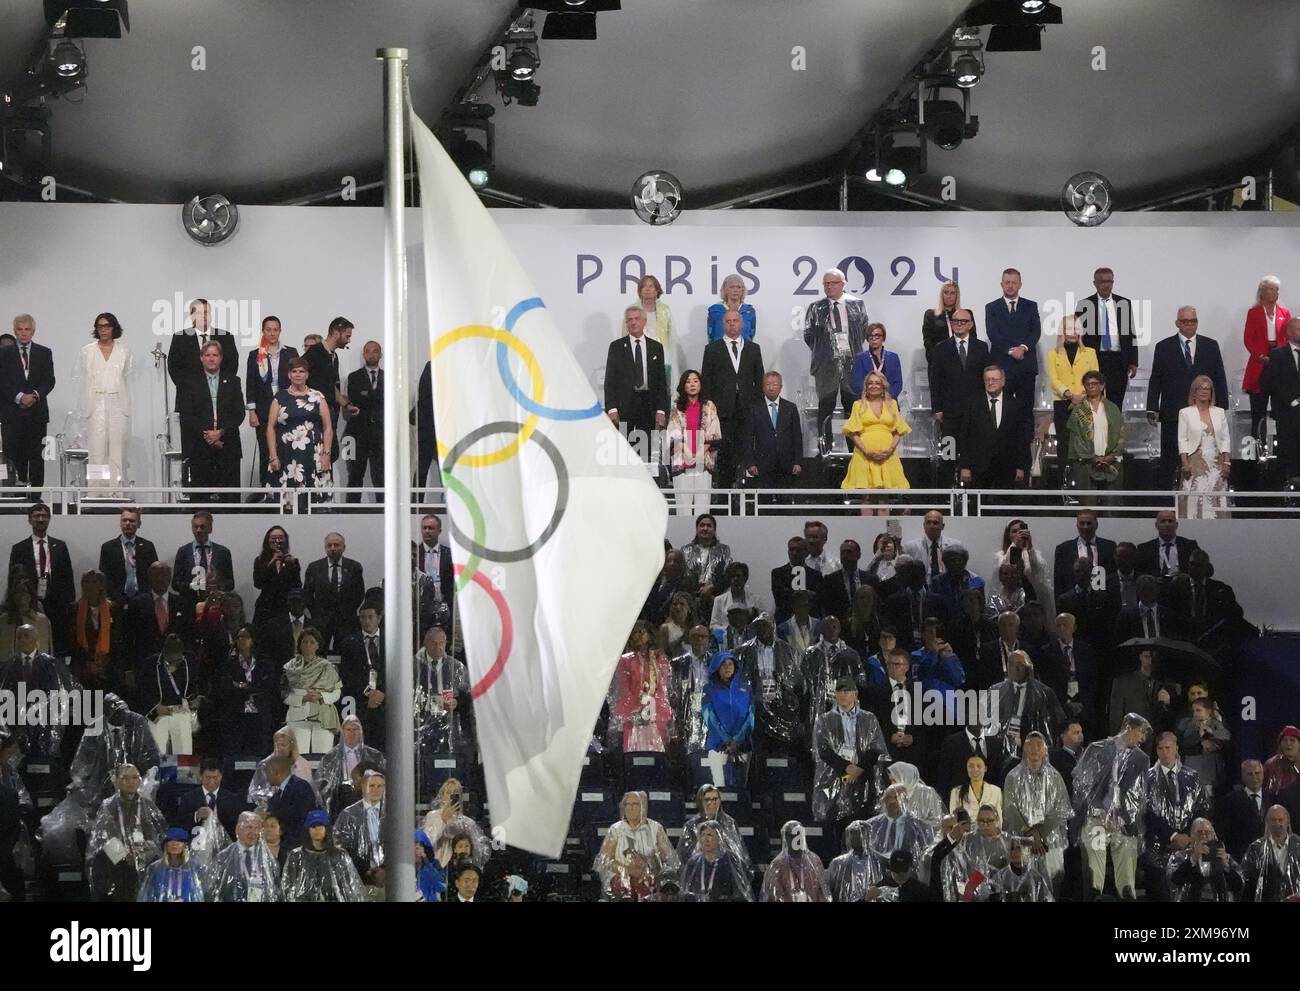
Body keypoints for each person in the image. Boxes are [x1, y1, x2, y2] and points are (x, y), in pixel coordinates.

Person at [1146, 306, 1229, 490]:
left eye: (1193, 321)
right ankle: (1169, 502)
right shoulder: (1164, 347)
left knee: (1201, 458)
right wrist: (1152, 407)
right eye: (1185, 321)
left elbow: (1219, 376)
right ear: (1177, 323)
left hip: (1203, 413)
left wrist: (1222, 405)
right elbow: (1156, 379)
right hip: (1172, 413)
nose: (1190, 325)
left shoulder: (1210, 345)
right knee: (1170, 459)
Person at [1073, 713, 1151, 899]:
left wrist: (1122, 818)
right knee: (1095, 872)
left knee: (1126, 876)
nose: (1142, 738)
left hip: (1123, 823)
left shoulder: (1141, 759)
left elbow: (1138, 796)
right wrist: (1101, 813)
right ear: (1128, 728)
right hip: (1096, 819)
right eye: (1140, 732)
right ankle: (1094, 898)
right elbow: (1083, 786)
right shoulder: (1096, 749)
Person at [812, 675, 887, 839]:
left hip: (863, 779)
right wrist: (847, 768)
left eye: (847, 691)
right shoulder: (825, 720)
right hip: (836, 780)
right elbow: (824, 751)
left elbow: (876, 748)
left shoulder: (869, 719)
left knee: (863, 828)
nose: (843, 694)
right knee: (837, 828)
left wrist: (858, 769)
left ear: (855, 693)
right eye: (839, 691)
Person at [805, 267, 869, 449]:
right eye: (826, 284)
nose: (829, 287)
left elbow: (864, 331)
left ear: (843, 285)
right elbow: (809, 336)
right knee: (825, 407)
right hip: (826, 367)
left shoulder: (857, 304)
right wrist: (826, 353)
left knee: (853, 408)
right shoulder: (816, 307)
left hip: (852, 364)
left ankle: (855, 449)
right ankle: (825, 449)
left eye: (833, 283)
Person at [701, 308, 765, 488]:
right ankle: (724, 492)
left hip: (747, 409)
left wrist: (759, 407)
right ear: (723, 325)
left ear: (742, 323)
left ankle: (745, 492)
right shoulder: (712, 349)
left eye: (735, 321)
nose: (731, 324)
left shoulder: (753, 349)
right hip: (722, 411)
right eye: (728, 321)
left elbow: (759, 378)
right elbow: (706, 380)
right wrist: (708, 411)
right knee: (724, 454)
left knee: (746, 451)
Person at [1001, 732, 1072, 893]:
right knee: (1025, 885)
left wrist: (1041, 833)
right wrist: (1030, 834)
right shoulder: (1012, 776)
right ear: (1024, 748)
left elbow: (1061, 808)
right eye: (1030, 745)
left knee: (1052, 882)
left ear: (1045, 749)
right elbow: (1010, 809)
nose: (1034, 748)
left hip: (1050, 841)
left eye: (1039, 745)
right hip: (1022, 841)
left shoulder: (1054, 777)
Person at [86, 763, 168, 902]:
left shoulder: (148, 805)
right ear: (117, 781)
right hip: (115, 866)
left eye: (135, 777)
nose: (131, 782)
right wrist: (124, 855)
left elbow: (158, 835)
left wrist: (143, 852)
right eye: (125, 778)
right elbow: (103, 837)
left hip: (143, 861)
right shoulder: (108, 805)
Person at [74, 312, 134, 491]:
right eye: (100, 326)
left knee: (117, 449)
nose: (103, 330)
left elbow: (128, 380)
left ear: (114, 328)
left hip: (117, 401)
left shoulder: (124, 351)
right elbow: (81, 380)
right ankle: (95, 491)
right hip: (95, 401)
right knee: (96, 450)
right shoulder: (87, 351)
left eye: (107, 326)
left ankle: (116, 491)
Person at [178, 341, 244, 502]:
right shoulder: (189, 383)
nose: (211, 358)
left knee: (230, 497)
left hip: (228, 444)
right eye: (207, 355)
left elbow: (239, 413)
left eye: (215, 355)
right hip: (200, 446)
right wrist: (208, 436)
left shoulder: (233, 381)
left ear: (221, 358)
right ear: (201, 358)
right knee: (200, 497)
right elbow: (187, 415)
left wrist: (220, 433)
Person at [928, 308, 988, 482]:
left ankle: (973, 502)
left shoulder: (981, 348)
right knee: (948, 457)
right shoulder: (941, 348)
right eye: (955, 321)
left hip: (975, 413)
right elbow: (935, 381)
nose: (959, 324)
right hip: (949, 415)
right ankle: (947, 501)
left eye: (963, 321)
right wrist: (937, 408)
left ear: (971, 324)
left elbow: (987, 379)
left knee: (974, 457)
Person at [8, 502, 75, 655]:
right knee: (31, 644)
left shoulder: (60, 546)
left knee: (55, 645)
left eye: (44, 516)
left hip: (56, 603)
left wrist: (68, 602)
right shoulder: (19, 548)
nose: (40, 519)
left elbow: (68, 576)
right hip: (29, 604)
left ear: (49, 519)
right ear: (29, 520)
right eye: (36, 516)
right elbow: (13, 579)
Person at [265, 355, 333, 502]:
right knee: (286, 504)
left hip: (313, 456)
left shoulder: (317, 397)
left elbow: (328, 428)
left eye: (301, 371)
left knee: (313, 503)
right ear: (289, 375)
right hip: (285, 456)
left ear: (307, 375)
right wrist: (273, 456)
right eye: (294, 371)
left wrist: (326, 454)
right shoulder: (279, 397)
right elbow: (270, 428)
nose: (298, 374)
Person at [840, 370, 910, 512]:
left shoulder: (892, 405)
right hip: (864, 455)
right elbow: (853, 432)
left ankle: (884, 534)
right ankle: (866, 531)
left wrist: (890, 450)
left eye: (877, 383)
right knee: (866, 497)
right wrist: (866, 451)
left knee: (884, 497)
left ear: (883, 386)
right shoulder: (858, 405)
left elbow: (898, 430)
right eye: (870, 383)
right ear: (866, 386)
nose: (873, 386)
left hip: (888, 456)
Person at [0, 314, 56, 490]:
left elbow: (49, 380)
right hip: (12, 413)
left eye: (27, 329)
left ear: (33, 331)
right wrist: (18, 396)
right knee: (12, 454)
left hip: (36, 412)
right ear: (14, 330)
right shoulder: (4, 353)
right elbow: (2, 380)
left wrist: (35, 395)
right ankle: (13, 494)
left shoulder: (44, 352)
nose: (23, 333)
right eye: (20, 329)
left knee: (36, 456)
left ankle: (36, 496)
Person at [603, 305, 669, 452]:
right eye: (629, 320)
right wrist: (612, 408)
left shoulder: (656, 347)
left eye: (637, 319)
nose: (633, 323)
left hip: (648, 407)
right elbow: (610, 380)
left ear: (644, 321)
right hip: (624, 408)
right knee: (624, 452)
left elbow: (661, 382)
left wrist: (661, 410)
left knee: (646, 451)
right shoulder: (616, 347)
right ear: (626, 324)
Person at [593, 791, 680, 900]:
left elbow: (669, 858)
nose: (630, 808)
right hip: (621, 879)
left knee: (649, 885)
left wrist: (649, 869)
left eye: (635, 804)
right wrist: (626, 870)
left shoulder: (655, 828)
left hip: (650, 878)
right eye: (627, 804)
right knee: (623, 886)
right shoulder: (615, 829)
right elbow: (604, 860)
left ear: (643, 806)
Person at [245, 315, 298, 487]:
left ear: (280, 331)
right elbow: (250, 385)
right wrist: (252, 412)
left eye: (276, 329)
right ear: (263, 331)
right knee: (266, 451)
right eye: (269, 329)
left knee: (288, 449)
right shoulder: (255, 355)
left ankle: (289, 489)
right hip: (263, 410)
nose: (272, 333)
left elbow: (297, 381)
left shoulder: (291, 352)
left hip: (287, 408)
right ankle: (266, 490)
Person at [958, 365, 1031, 488]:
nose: (990, 383)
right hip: (979, 469)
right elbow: (964, 437)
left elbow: (1021, 439)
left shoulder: (1015, 405)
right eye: (987, 380)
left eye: (994, 379)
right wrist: (964, 466)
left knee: (1004, 506)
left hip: (1008, 469)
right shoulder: (972, 405)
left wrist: (1021, 467)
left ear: (1003, 381)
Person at [1075, 267, 1139, 408]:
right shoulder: (1084, 304)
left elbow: (1131, 333)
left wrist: (1133, 361)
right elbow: (1078, 335)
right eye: (1102, 281)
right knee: (1094, 402)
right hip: (1095, 359)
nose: (1106, 284)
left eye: (1109, 281)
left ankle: (1114, 430)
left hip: (1118, 360)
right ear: (1095, 283)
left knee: (1116, 404)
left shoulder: (1124, 303)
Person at [984, 268, 1041, 422]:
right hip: (1002, 367)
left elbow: (1035, 331)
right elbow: (993, 333)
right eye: (1007, 282)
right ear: (1001, 284)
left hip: (1025, 365)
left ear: (1020, 285)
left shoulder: (1031, 306)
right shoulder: (991, 307)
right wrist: (1010, 350)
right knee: (1002, 411)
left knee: (1026, 412)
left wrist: (1022, 348)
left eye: (1014, 283)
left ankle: (1024, 445)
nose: (1010, 286)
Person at [665, 369, 721, 517]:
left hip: (703, 461)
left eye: (695, 381)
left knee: (702, 510)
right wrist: (688, 453)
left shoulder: (709, 406)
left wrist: (700, 454)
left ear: (701, 385)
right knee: (683, 510)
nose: (692, 384)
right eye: (688, 382)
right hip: (682, 462)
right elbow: (673, 432)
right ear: (683, 386)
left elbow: (714, 432)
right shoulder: (676, 407)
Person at [414, 626, 474, 761]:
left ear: (446, 643)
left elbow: (469, 697)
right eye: (434, 643)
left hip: (451, 732)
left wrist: (456, 703)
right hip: (420, 731)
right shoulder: (413, 667)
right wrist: (439, 703)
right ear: (425, 643)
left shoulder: (457, 667)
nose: (438, 647)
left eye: (441, 643)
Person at [1241, 275, 1289, 444]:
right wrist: (1260, 356)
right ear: (1262, 292)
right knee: (1258, 413)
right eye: (1271, 288)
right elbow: (1248, 339)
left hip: (1279, 364)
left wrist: (1280, 357)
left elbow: (1287, 339)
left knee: (1282, 412)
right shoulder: (1253, 313)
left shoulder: (1284, 313)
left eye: (1277, 289)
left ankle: (1281, 452)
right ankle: (1257, 452)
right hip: (1260, 364)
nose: (1275, 292)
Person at [1176, 374, 1232, 517]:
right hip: (1194, 462)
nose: (1204, 391)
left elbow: (1225, 438)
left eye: (1208, 389)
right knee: (1195, 496)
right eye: (1200, 388)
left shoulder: (1219, 412)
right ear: (1194, 392)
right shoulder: (1185, 413)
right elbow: (1182, 440)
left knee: (1216, 496)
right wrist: (1185, 464)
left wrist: (1227, 462)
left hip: (1216, 463)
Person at [281, 808, 366, 902]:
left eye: (321, 826)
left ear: (327, 829)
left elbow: (350, 887)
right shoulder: (296, 856)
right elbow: (289, 887)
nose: (317, 829)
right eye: (313, 826)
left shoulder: (340, 855)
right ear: (307, 830)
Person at [611, 623, 671, 753]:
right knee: (634, 756)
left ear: (649, 635)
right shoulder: (625, 660)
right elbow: (624, 689)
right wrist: (638, 712)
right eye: (634, 633)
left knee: (655, 756)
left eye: (641, 632)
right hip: (633, 717)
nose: (637, 636)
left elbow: (662, 689)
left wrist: (651, 710)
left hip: (655, 715)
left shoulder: (660, 660)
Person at [281, 627, 341, 755]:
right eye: (305, 642)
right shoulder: (290, 667)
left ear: (318, 645)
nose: (308, 645)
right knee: (298, 759)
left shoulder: (328, 667)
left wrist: (321, 696)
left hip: (323, 720)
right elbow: (284, 695)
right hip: (298, 719)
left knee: (322, 760)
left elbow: (337, 692)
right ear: (300, 645)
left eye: (312, 642)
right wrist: (303, 698)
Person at [740, 370, 803, 491]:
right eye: (768, 384)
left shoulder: (790, 408)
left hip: (786, 463)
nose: (771, 388)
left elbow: (797, 437)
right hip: (762, 464)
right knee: (764, 502)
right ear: (763, 387)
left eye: (775, 384)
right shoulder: (754, 408)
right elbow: (747, 438)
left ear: (781, 387)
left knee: (785, 502)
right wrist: (750, 463)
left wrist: (798, 461)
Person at [303, 532, 365, 652]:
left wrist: (348, 610)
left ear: (344, 547)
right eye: (329, 545)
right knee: (319, 652)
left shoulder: (354, 567)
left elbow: (359, 594)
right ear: (325, 547)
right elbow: (307, 594)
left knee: (346, 652)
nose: (332, 548)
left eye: (336, 545)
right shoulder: (314, 567)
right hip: (321, 620)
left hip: (346, 620)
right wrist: (316, 614)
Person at [1039, 612, 1098, 737]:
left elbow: (1092, 679)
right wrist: (1065, 703)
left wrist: (1082, 702)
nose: (1061, 629)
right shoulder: (1046, 652)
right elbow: (1048, 682)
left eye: (1065, 625)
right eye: (1058, 626)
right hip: (1060, 708)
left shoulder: (1086, 650)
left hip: (1084, 707)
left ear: (1074, 628)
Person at [302, 316, 354, 462]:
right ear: (336, 333)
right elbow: (298, 377)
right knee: (319, 457)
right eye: (347, 336)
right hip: (315, 417)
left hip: (330, 416)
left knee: (331, 455)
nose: (349, 340)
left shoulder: (334, 356)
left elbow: (330, 386)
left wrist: (346, 404)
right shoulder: (314, 353)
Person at [700, 650, 753, 787]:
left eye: (730, 664)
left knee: (742, 787)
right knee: (719, 787)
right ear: (717, 667)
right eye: (723, 664)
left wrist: (738, 740)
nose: (727, 667)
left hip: (743, 746)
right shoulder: (709, 689)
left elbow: (750, 716)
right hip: (719, 746)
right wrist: (728, 740)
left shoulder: (746, 688)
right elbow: (709, 716)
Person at [1065, 370, 1124, 490]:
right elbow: (1076, 438)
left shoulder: (1112, 408)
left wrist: (1111, 456)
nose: (1091, 386)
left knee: (1111, 504)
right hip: (1085, 463)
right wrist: (1092, 458)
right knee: (1087, 505)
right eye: (1088, 384)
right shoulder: (1079, 410)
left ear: (1102, 386)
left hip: (1111, 463)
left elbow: (1121, 434)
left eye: (1094, 383)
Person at [206, 811, 283, 902]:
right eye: (249, 827)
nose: (253, 832)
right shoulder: (223, 858)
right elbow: (211, 891)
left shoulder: (268, 859)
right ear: (237, 829)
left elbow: (276, 891)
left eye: (257, 828)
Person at [339, 599, 387, 748]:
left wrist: (382, 692)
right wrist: (368, 692)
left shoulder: (391, 640)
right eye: (363, 617)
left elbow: (394, 672)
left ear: (379, 618)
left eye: (370, 617)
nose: (366, 621)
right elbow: (347, 674)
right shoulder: (349, 642)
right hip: (361, 702)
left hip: (385, 702)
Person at [940, 804, 1011, 902]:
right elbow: (954, 865)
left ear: (997, 820)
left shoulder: (1007, 840)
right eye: (981, 821)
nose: (985, 824)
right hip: (972, 895)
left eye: (989, 821)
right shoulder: (967, 840)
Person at [677, 785, 753, 877]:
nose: (711, 802)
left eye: (715, 799)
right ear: (700, 802)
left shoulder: (729, 824)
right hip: (699, 871)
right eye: (707, 799)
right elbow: (684, 856)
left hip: (724, 871)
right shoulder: (691, 825)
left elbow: (738, 853)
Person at [333, 768, 387, 898]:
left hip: (388, 880)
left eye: (380, 786)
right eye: (372, 785)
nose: (376, 789)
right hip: (358, 880)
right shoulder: (348, 815)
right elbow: (341, 847)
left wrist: (385, 869)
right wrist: (366, 871)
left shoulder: (393, 814)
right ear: (363, 787)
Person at [1047, 313, 1098, 452]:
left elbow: (1094, 378)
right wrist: (1070, 395)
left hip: (1085, 403)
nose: (1073, 333)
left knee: (1085, 443)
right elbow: (1053, 379)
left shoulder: (1090, 353)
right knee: (1064, 444)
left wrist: (1082, 395)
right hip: (1062, 404)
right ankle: (1064, 473)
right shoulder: (1053, 354)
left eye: (1076, 329)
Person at [318, 714, 386, 815]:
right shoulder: (329, 758)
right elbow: (324, 788)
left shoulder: (375, 756)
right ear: (342, 731)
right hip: (339, 802)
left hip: (368, 799)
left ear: (361, 732)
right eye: (348, 729)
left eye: (355, 729)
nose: (352, 733)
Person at [143, 634, 198, 757]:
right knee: (157, 751)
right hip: (157, 710)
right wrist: (155, 707)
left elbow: (194, 687)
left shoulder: (189, 662)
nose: (174, 663)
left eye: (177, 659)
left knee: (183, 751)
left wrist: (192, 701)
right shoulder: (150, 664)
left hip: (180, 710)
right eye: (170, 659)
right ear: (164, 653)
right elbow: (143, 692)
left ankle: (183, 774)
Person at [1166, 817, 1244, 902]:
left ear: (1214, 836)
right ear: (1191, 837)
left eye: (1207, 833)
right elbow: (1174, 881)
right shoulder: (1180, 856)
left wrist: (1226, 866)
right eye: (1199, 833)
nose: (1203, 836)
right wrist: (1194, 858)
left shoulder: (1224, 857)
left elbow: (1239, 886)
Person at [343, 340, 384, 501]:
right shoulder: (354, 377)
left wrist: (368, 398)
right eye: (368, 351)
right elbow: (356, 400)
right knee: (355, 473)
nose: (371, 354)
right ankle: (352, 509)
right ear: (363, 354)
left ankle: (384, 509)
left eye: (375, 351)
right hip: (358, 433)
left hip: (381, 434)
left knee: (380, 474)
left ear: (380, 354)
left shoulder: (389, 377)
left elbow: (388, 402)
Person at [1261, 315, 1300, 485]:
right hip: (1287, 413)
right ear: (1289, 332)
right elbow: (1272, 382)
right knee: (1289, 450)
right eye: (1299, 329)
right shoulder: (1278, 354)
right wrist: (1293, 400)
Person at [419, 779, 490, 869]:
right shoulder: (432, 817)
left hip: (460, 870)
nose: (451, 796)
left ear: (460, 797)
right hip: (436, 869)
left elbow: (477, 854)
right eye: (448, 792)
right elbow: (427, 846)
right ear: (442, 796)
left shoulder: (467, 823)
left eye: (455, 793)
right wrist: (442, 821)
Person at [97, 507, 158, 610]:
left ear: (139, 524)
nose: (128, 523)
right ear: (120, 523)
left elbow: (155, 575)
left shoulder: (148, 546)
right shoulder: (108, 547)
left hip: (143, 602)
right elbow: (103, 577)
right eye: (124, 520)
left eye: (132, 520)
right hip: (116, 602)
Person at [864, 783, 934, 872]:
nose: (892, 801)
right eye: (888, 797)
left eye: (896, 797)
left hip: (909, 875)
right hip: (879, 875)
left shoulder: (921, 827)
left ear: (906, 800)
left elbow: (926, 857)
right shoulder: (871, 825)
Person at [680, 819, 752, 902]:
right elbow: (686, 892)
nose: (706, 839)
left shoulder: (732, 860)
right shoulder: (693, 862)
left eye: (710, 835)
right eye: (703, 835)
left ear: (719, 837)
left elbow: (740, 893)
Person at [622, 274, 678, 379]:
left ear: (657, 291)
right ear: (640, 291)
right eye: (644, 286)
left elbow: (671, 337)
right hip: (637, 354)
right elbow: (624, 335)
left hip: (662, 355)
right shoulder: (631, 310)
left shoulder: (665, 310)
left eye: (651, 286)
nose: (647, 289)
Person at [173, 756, 244, 839]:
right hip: (196, 844)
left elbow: (237, 826)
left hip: (224, 845)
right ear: (200, 776)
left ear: (221, 776)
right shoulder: (188, 798)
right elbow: (179, 824)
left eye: (215, 777)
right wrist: (196, 815)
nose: (211, 782)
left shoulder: (232, 799)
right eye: (208, 777)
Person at [1051, 509, 1117, 597]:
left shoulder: (1110, 547)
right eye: (1082, 523)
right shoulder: (1063, 550)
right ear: (1077, 525)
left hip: (1103, 602)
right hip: (1072, 602)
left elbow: (1113, 579)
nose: (1085, 527)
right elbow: (1059, 582)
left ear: (1096, 525)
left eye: (1089, 523)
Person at [1241, 804, 1300, 902]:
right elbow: (1244, 877)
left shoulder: (1298, 845)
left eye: (1280, 820)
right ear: (1267, 822)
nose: (1277, 824)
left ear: (1287, 822)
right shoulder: (1256, 848)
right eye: (1273, 820)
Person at [760, 820, 828, 902]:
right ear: (785, 838)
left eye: (798, 835)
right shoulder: (777, 865)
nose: (796, 838)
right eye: (791, 835)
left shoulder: (814, 861)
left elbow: (822, 893)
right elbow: (774, 896)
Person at [1218, 760, 1272, 862]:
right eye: (1249, 774)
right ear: (1243, 777)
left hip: (1268, 860)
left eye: (1257, 773)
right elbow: (1224, 833)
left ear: (1263, 775)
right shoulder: (1230, 801)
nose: (1254, 777)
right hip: (1240, 859)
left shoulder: (1273, 799)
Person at [1177, 697, 1231, 794]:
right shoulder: (1187, 724)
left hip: (1209, 774)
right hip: (1190, 771)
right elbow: (1183, 743)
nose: (1195, 714)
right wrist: (1199, 736)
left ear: (1208, 711)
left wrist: (1211, 733)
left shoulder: (1216, 724)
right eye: (1193, 711)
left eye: (1198, 710)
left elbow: (1226, 737)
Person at [410, 515, 453, 638]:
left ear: (439, 531)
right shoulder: (413, 553)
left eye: (431, 528)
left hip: (445, 608)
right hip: (420, 611)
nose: (427, 531)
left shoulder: (449, 554)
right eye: (424, 528)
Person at [250, 525, 300, 629]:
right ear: (267, 541)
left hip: (286, 608)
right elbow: (258, 583)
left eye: (281, 537)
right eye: (273, 538)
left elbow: (297, 586)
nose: (277, 540)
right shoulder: (260, 561)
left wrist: (293, 567)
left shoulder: (293, 561)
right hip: (265, 607)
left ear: (286, 540)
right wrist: (272, 562)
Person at [136, 827, 204, 902]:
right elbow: (146, 896)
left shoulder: (194, 868)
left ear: (185, 845)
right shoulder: (155, 868)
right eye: (170, 840)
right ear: (165, 845)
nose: (175, 843)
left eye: (179, 841)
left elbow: (198, 896)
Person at [824, 819, 885, 901]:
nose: (853, 837)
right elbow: (827, 888)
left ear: (868, 836)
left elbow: (884, 890)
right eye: (851, 833)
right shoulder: (838, 863)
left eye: (857, 833)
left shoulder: (879, 861)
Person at [1135, 510, 1200, 578]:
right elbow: (1138, 572)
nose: (1167, 524)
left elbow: (1207, 569)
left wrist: (1187, 577)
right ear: (1156, 525)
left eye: (1170, 521)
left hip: (1182, 586)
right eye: (1163, 521)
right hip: (1155, 586)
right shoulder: (1144, 548)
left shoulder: (1189, 545)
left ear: (1176, 525)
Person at [922, 280, 978, 359]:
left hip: (962, 358)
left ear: (957, 295)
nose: (949, 296)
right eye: (946, 292)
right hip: (939, 358)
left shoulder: (966, 314)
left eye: (952, 293)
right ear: (942, 294)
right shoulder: (930, 315)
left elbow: (973, 338)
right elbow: (928, 341)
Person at [681, 514, 731, 597]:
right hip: (690, 597)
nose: (705, 528)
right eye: (702, 525)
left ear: (714, 530)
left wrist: (712, 587)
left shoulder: (723, 550)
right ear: (697, 529)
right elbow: (681, 576)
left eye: (709, 526)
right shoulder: (685, 550)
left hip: (715, 597)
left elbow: (727, 576)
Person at [850, 322, 903, 400]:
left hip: (889, 402)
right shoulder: (860, 358)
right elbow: (856, 384)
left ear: (883, 338)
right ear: (867, 339)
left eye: (877, 335)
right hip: (867, 402)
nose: (873, 338)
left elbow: (898, 383)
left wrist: (887, 397)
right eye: (870, 336)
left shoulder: (893, 358)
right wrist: (872, 397)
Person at [950, 751, 1002, 821]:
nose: (975, 769)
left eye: (979, 766)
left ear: (985, 768)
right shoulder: (956, 792)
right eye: (971, 766)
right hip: (966, 831)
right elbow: (953, 820)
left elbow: (999, 821)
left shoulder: (996, 791)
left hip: (989, 831)